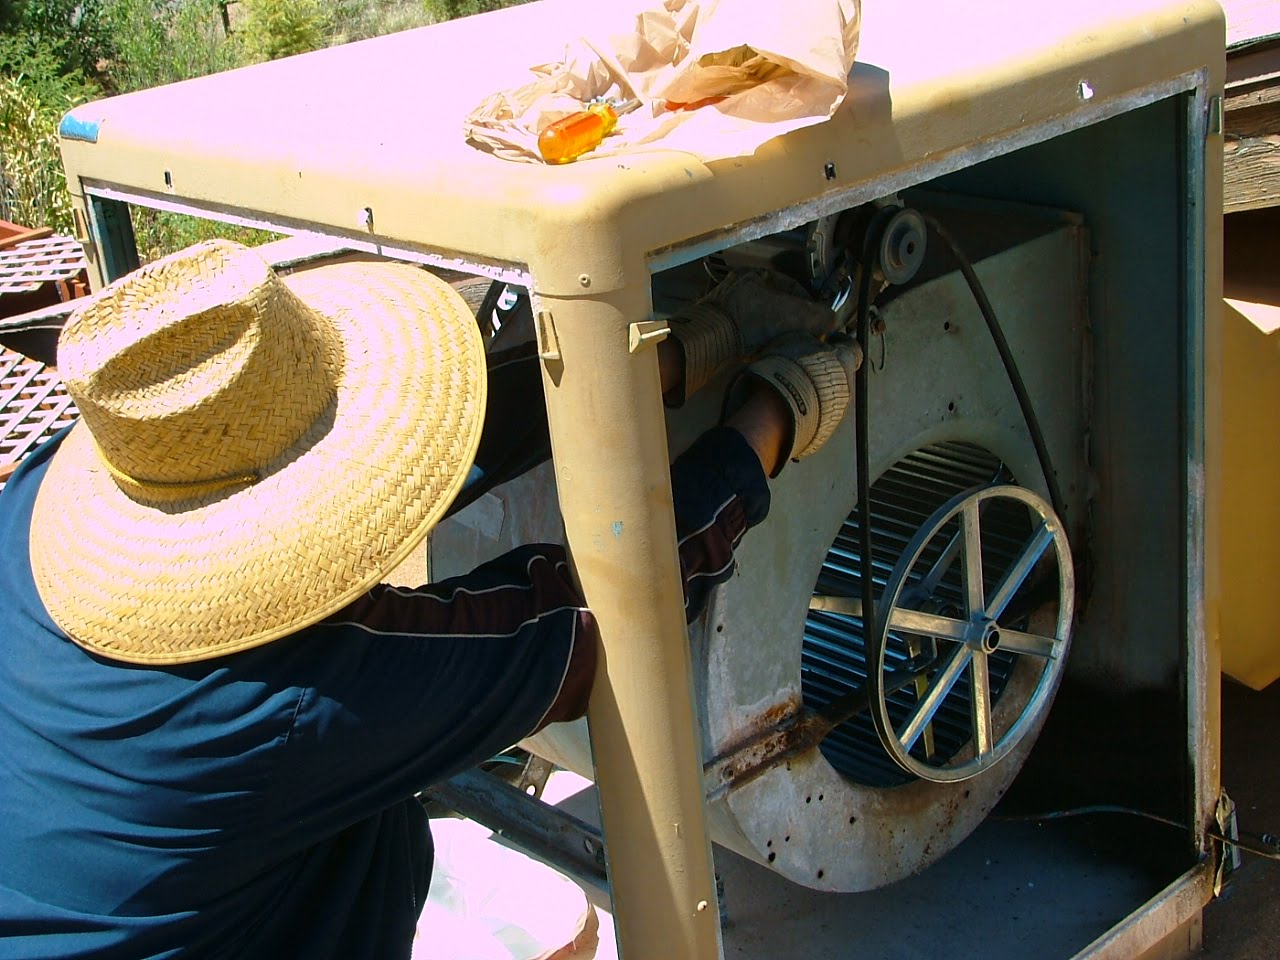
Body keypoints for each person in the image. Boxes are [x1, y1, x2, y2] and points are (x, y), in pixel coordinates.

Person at [0, 240, 859, 959]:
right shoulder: (302, 704)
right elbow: (594, 620)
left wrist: (675, 354)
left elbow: (433, 447)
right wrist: (773, 419)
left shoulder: (31, 509)